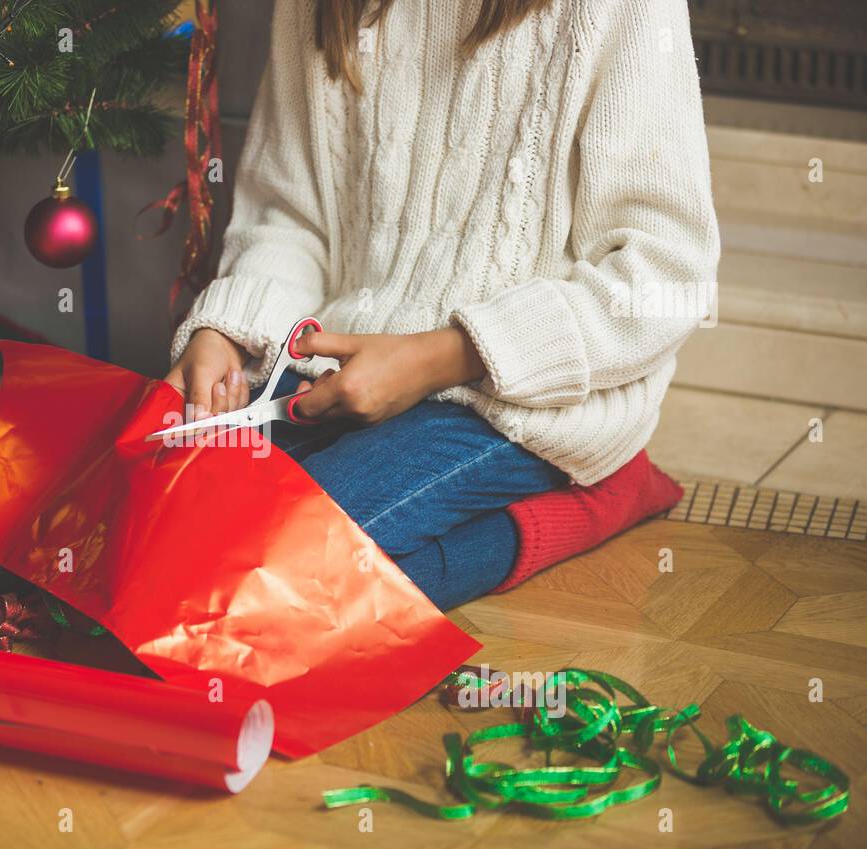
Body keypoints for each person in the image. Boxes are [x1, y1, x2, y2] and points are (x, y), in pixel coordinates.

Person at [164, 0, 720, 608]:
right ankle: (569, 502)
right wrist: (228, 330)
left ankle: (594, 495)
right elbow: (291, 215)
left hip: (516, 398)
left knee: (263, 573)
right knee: (157, 515)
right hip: (340, 372)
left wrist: (437, 358)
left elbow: (668, 272)